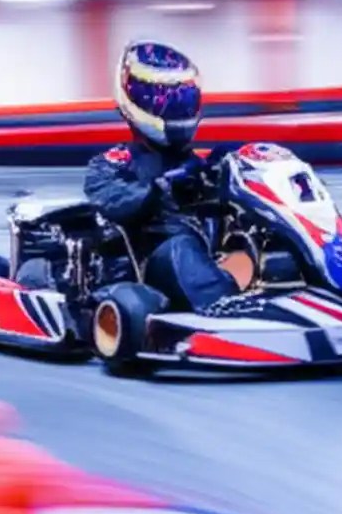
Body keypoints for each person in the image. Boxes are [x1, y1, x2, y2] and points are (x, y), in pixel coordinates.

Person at [84, 41, 240, 312]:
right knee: (182, 249)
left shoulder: (199, 163)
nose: (177, 107)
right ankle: (225, 310)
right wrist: (157, 190)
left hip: (213, 254)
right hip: (154, 265)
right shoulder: (113, 164)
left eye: (183, 98)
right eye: (166, 100)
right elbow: (113, 200)